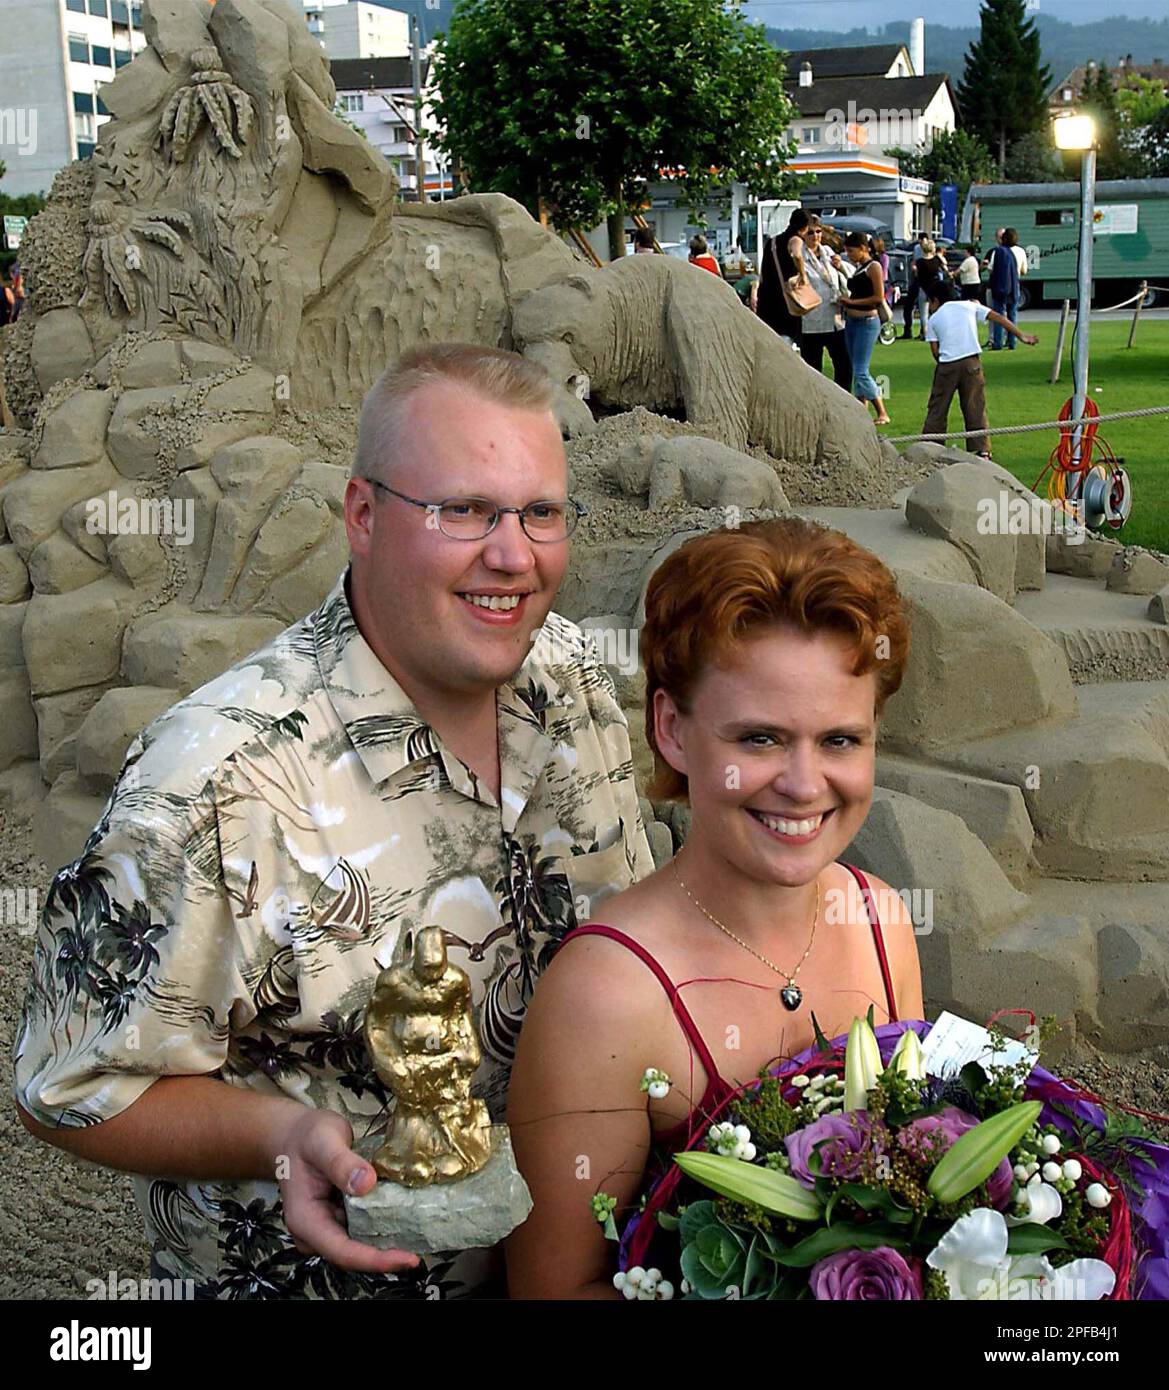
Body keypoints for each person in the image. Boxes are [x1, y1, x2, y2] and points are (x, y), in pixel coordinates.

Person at [13, 342, 655, 1300]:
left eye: (540, 512)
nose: (513, 555)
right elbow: (69, 1087)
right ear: (363, 515)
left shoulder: (573, 679)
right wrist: (282, 1139)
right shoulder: (213, 782)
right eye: (465, 509)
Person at [506, 517, 924, 1299]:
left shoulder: (884, 923)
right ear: (671, 729)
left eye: (839, 740)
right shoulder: (604, 996)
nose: (804, 784)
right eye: (760, 739)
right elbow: (551, 1291)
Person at [923, 282, 1038, 458]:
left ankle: (931, 447)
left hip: (947, 364)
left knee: (938, 407)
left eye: (930, 303)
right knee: (975, 405)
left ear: (936, 301)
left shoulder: (934, 318)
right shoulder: (970, 306)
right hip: (972, 362)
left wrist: (944, 363)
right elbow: (999, 317)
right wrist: (1021, 335)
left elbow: (935, 351)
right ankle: (982, 449)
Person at [837, 232, 890, 426]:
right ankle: (862, 409)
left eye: (851, 251)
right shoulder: (859, 267)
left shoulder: (873, 267)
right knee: (856, 368)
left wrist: (851, 301)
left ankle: (882, 411)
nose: (849, 255)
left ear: (863, 248)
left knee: (861, 370)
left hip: (867, 322)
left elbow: (878, 297)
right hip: (852, 322)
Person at [796, 217, 851, 386]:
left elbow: (850, 278)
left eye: (818, 231)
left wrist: (840, 266)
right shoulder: (799, 256)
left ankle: (842, 401)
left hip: (835, 319)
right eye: (810, 232)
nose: (815, 236)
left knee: (845, 365)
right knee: (813, 369)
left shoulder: (828, 252)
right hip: (811, 322)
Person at [756, 207, 811, 348]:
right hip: (786, 299)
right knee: (787, 340)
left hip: (768, 298)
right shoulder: (795, 239)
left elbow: (763, 271)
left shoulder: (772, 242)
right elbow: (796, 254)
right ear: (805, 227)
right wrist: (803, 275)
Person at [985, 229, 1021, 351]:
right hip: (1014, 288)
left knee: (999, 317)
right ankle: (1012, 341)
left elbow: (994, 270)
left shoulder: (999, 251)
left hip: (1001, 289)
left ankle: (997, 342)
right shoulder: (1016, 252)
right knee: (1012, 316)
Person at [913, 237, 950, 338]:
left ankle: (924, 333)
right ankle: (936, 331)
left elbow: (916, 274)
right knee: (935, 311)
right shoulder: (936, 260)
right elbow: (945, 268)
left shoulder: (919, 261)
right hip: (934, 288)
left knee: (923, 313)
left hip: (922, 288)